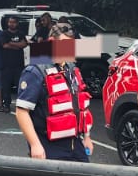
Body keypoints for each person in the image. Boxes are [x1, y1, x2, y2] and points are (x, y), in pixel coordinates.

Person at [13, 21, 95, 162]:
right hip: (49, 146)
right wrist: (35, 145)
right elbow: (21, 112)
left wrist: (87, 137)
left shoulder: (72, 69)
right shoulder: (35, 71)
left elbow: (81, 106)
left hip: (76, 144)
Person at [0, 16, 28, 111]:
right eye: (10, 22)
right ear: (8, 23)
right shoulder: (4, 34)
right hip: (6, 65)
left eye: (14, 22)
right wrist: (18, 45)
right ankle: (6, 105)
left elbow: (24, 44)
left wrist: (11, 43)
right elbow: (5, 45)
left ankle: (21, 105)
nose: (12, 24)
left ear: (17, 23)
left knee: (20, 86)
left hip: (19, 65)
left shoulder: (21, 33)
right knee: (6, 87)